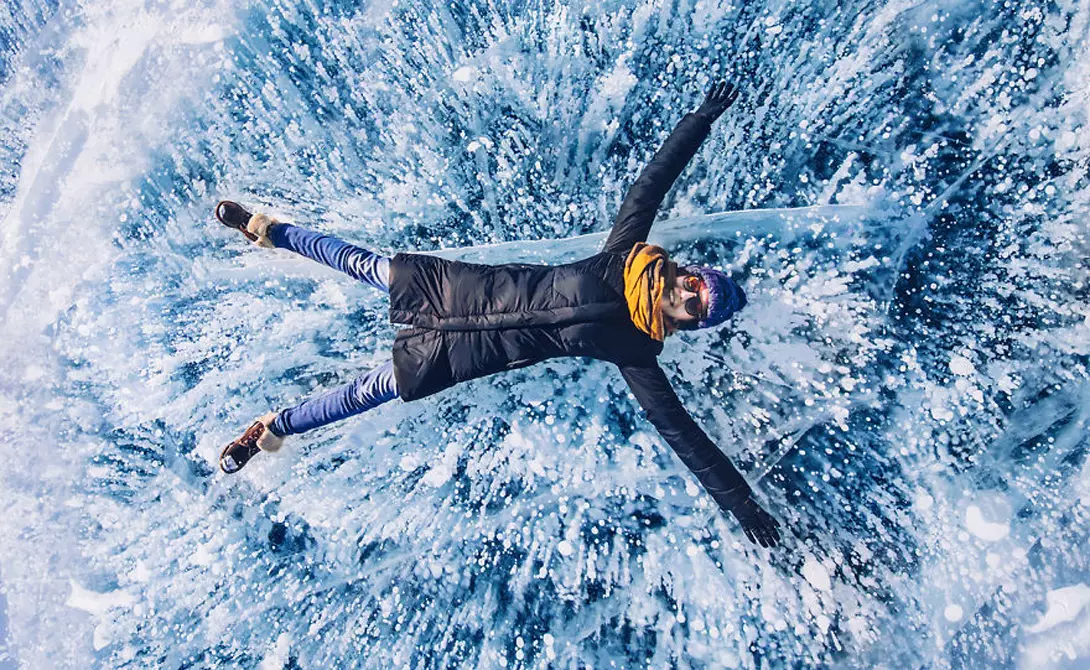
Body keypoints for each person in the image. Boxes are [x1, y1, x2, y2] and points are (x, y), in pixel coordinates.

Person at [215, 82, 782, 548]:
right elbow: (651, 186)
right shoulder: (625, 255)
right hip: (461, 291)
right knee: (363, 264)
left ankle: (270, 428)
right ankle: (266, 229)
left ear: (689, 321)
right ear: (689, 275)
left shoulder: (638, 350)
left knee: (370, 391)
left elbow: (685, 437)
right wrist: (699, 120)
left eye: (695, 309)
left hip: (465, 354)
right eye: (694, 288)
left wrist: (740, 504)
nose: (686, 298)